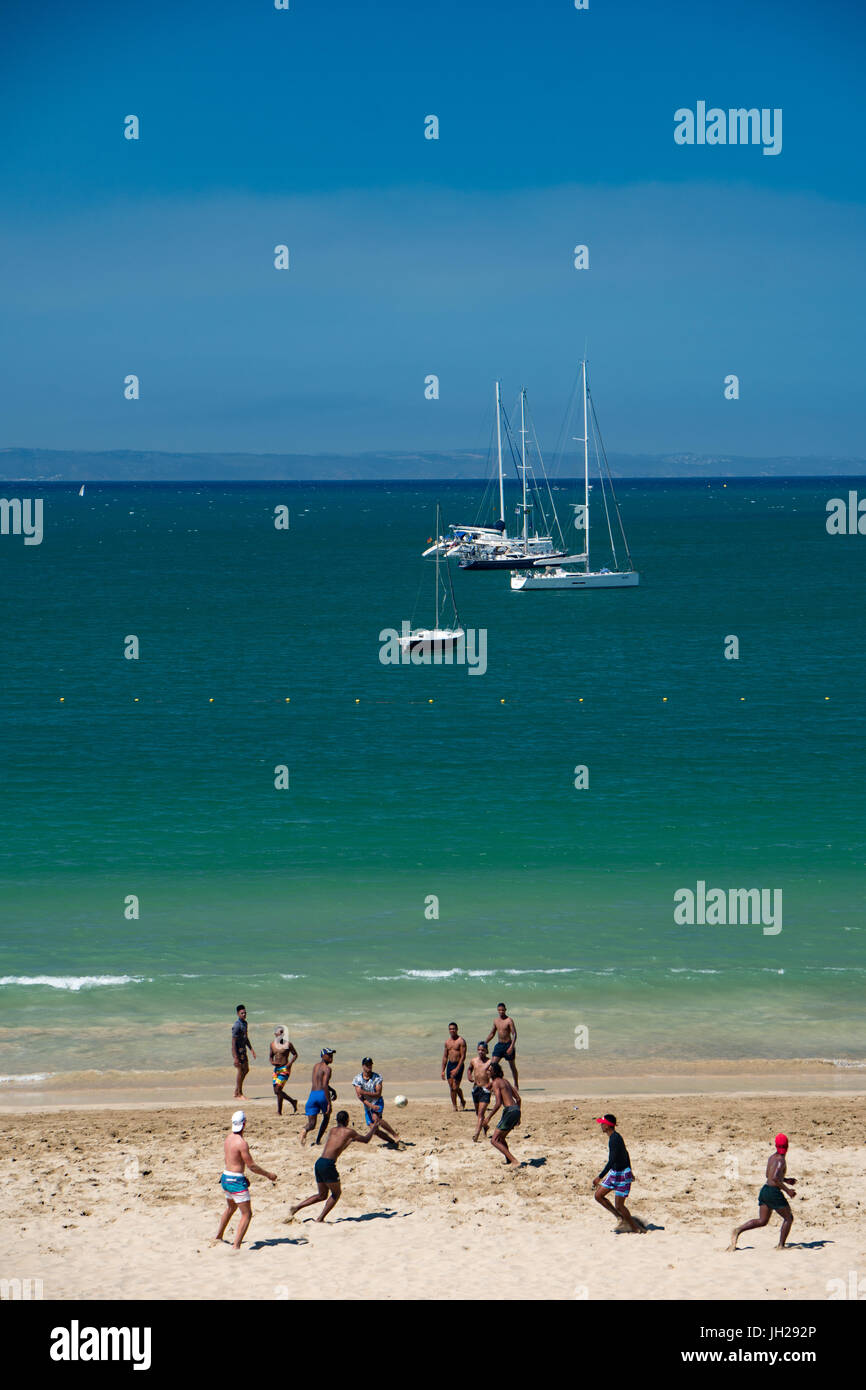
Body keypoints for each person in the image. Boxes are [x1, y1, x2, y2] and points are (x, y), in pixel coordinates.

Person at [289, 1109, 381, 1223]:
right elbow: (366, 1140)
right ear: (347, 1120)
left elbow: (336, 1147)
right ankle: (320, 1218)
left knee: (322, 1195)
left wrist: (348, 1142)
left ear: (337, 1120)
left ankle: (296, 1207)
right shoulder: (349, 1131)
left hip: (319, 1162)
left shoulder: (332, 1130)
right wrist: (374, 1128)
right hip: (328, 1165)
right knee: (336, 1193)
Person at [213, 1110, 276, 1251]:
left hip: (226, 1177)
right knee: (247, 1214)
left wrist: (241, 1174)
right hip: (235, 1181)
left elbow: (230, 1160)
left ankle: (218, 1236)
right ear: (244, 1124)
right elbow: (252, 1165)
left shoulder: (228, 1138)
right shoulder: (242, 1143)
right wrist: (268, 1175)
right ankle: (236, 1246)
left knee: (230, 1208)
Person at [728, 1133, 797, 1251]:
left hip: (765, 1190)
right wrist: (788, 1191)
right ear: (787, 1146)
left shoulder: (772, 1158)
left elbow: (768, 1175)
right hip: (773, 1192)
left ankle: (738, 1230)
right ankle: (781, 1246)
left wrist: (785, 1180)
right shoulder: (781, 1160)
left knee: (762, 1221)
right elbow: (775, 1178)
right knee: (788, 1218)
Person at [592, 1114, 644, 1234]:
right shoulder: (613, 1138)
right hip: (614, 1173)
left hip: (622, 1176)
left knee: (619, 1205)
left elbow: (612, 1161)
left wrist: (599, 1177)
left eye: (603, 1123)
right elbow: (626, 1153)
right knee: (598, 1196)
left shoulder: (615, 1139)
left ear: (608, 1125)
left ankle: (635, 1228)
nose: (601, 1125)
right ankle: (619, 1217)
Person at [352, 1057, 401, 1145]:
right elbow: (360, 1096)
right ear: (363, 1066)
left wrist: (364, 1092)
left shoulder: (377, 1077)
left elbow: (378, 1094)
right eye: (367, 1065)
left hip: (377, 1101)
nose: (369, 1067)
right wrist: (370, 1106)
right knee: (373, 1129)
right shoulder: (357, 1079)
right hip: (367, 1105)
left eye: (370, 1065)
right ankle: (392, 1141)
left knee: (376, 1119)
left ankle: (395, 1135)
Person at [485, 1061, 522, 1167]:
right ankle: (509, 1160)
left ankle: (514, 1161)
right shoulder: (505, 1081)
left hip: (509, 1111)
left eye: (489, 1070)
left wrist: (488, 1117)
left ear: (494, 1072)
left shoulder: (496, 1082)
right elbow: (518, 1099)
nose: (487, 1072)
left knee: (494, 1140)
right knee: (501, 1138)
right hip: (516, 1110)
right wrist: (519, 1116)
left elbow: (498, 1103)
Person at [301, 1048, 335, 1146]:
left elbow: (320, 1082)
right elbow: (324, 1085)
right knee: (327, 1116)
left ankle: (304, 1130)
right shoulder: (327, 1069)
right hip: (322, 1095)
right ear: (323, 1056)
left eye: (332, 1055)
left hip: (312, 1095)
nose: (331, 1056)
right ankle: (318, 1140)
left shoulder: (315, 1066)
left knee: (311, 1124)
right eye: (329, 1055)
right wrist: (329, 1102)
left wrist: (332, 1090)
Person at [485, 1003, 518, 1087]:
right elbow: (492, 1033)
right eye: (499, 1010)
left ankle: (516, 1084)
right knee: (492, 1066)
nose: (501, 1011)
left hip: (508, 1045)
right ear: (497, 1010)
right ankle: (493, 1085)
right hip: (499, 1045)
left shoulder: (509, 1020)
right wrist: (485, 1043)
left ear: (505, 1010)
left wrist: (511, 1047)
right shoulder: (496, 1021)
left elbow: (514, 1034)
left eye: (502, 1010)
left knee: (512, 1067)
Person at [467, 1041, 493, 1142]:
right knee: (478, 1113)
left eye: (483, 1050)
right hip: (475, 1089)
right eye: (479, 1050)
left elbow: (495, 1074)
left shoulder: (490, 1062)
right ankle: (485, 1126)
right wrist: (469, 1076)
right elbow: (469, 1069)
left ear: (486, 1051)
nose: (480, 1052)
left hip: (485, 1090)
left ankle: (476, 1135)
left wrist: (492, 1085)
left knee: (481, 1114)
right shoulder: (474, 1060)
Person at [269, 1027, 298, 1115]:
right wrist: (272, 1062)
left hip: (285, 1069)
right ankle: (291, 1102)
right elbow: (270, 1056)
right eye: (280, 1033)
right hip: (276, 1070)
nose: (281, 1034)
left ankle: (280, 1110)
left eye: (283, 1033)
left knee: (278, 1089)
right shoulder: (272, 1045)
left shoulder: (288, 1044)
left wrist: (290, 1063)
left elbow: (295, 1055)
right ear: (275, 1034)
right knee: (277, 1091)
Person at [231, 1004, 256, 1099]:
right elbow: (233, 1043)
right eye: (242, 1013)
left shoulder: (245, 1023)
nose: (244, 1014)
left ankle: (236, 1091)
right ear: (238, 1014)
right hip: (238, 1052)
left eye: (245, 1013)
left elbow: (246, 1038)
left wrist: (251, 1049)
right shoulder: (236, 1026)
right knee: (241, 1071)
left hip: (243, 1051)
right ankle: (239, 1093)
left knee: (246, 1070)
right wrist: (236, 1057)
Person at [441, 1023, 467, 1111]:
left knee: (455, 1087)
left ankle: (462, 1101)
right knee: (452, 1087)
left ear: (457, 1029)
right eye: (450, 1029)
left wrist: (457, 1069)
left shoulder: (461, 1041)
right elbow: (445, 1056)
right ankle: (454, 1106)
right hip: (450, 1064)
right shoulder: (447, 1042)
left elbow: (463, 1056)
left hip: (458, 1064)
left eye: (454, 1029)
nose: (452, 1030)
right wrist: (443, 1070)